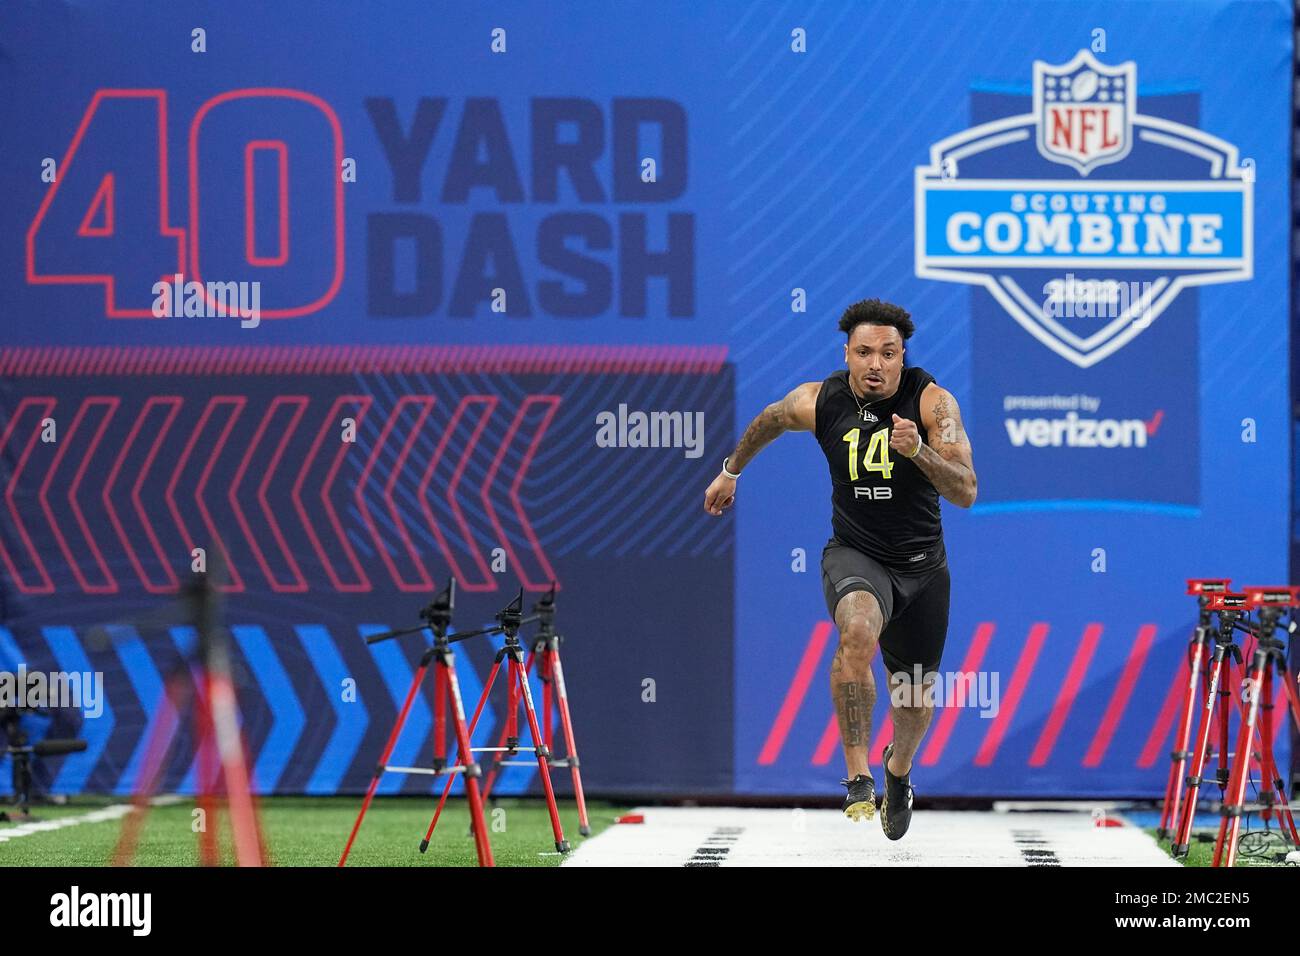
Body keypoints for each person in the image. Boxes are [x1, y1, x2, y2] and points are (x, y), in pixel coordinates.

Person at [703, 298, 977, 840]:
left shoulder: (932, 402)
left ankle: (898, 771)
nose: (876, 364)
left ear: (904, 357)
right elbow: (770, 420)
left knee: (916, 697)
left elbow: (966, 491)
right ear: (846, 354)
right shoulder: (820, 399)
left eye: (888, 353)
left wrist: (918, 451)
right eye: (864, 352)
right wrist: (731, 471)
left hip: (923, 568)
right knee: (856, 631)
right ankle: (858, 776)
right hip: (856, 553)